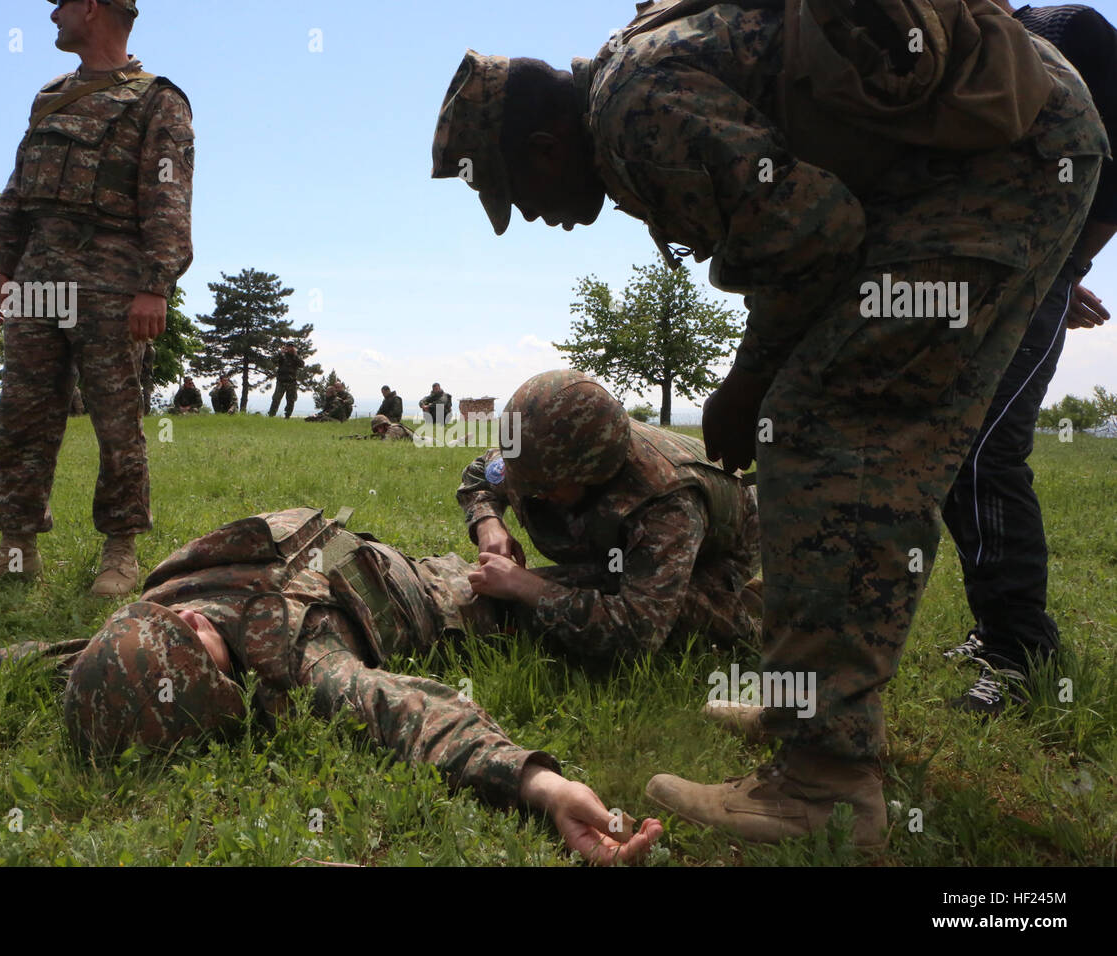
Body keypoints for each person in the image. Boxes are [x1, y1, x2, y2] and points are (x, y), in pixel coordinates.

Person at [431, 0, 1104, 845]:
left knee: (830, 434)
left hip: (1006, 162)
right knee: (820, 423)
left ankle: (823, 782)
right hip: (1004, 149)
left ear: (543, 148)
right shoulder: (630, 86)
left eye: (516, 196)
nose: (531, 216)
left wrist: (745, 385)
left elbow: (816, 231)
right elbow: (804, 218)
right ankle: (809, 709)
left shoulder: (633, 110)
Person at [0, 508, 660, 865]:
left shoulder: (144, 632)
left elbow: (31, 655)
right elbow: (412, 714)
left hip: (369, 557)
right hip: (442, 603)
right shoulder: (302, 669)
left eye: (173, 623)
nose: (190, 620)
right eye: (193, 644)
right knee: (573, 594)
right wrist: (542, 785)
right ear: (221, 696)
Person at [0, 0, 194, 597]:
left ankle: (120, 550)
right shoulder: (50, 95)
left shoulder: (157, 98)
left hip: (112, 276)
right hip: (38, 276)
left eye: (59, 4)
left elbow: (168, 198)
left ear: (91, 7)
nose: (51, 15)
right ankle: (16, 549)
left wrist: (154, 285)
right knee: (24, 417)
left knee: (117, 422)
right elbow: (16, 189)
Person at [940, 0, 1117, 715]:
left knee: (987, 451)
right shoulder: (950, 57)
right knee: (957, 453)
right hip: (972, 279)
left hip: (1036, 275)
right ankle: (996, 633)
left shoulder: (1068, 30)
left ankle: (1022, 656)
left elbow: (1114, 169)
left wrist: (1065, 269)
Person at [458, 370, 760, 661]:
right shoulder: (538, 457)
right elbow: (482, 473)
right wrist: (488, 523)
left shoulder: (667, 503)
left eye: (547, 489)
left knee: (678, 618)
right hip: (626, 535)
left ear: (595, 473)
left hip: (724, 547)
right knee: (578, 590)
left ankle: (747, 611)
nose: (536, 496)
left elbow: (638, 633)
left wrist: (525, 586)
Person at [269, 345, 304, 418]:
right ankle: (271, 415)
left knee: (291, 400)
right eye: (288, 346)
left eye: (291, 347)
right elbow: (273, 360)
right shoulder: (282, 356)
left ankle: (287, 416)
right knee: (276, 399)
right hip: (281, 381)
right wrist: (280, 352)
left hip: (292, 382)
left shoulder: (296, 357)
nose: (290, 348)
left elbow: (302, 364)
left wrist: (296, 355)